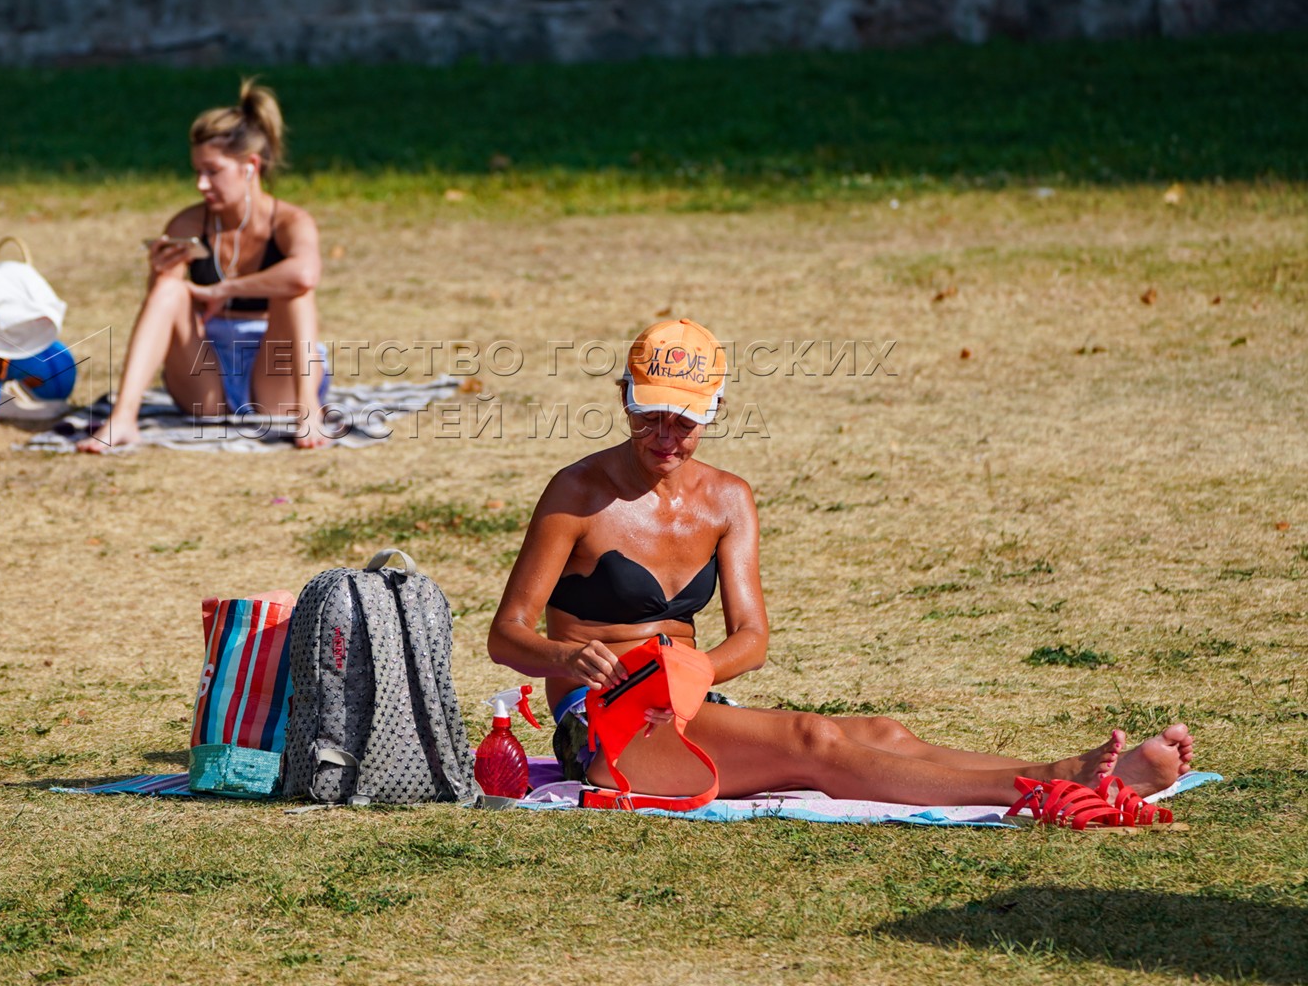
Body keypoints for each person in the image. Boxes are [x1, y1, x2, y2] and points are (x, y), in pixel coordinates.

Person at [487, 318, 1196, 807]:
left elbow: (752, 638)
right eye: (651, 415)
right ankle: (1056, 783)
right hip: (608, 723)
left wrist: (693, 670)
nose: (666, 436)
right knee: (812, 740)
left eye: (685, 420)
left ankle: (1070, 769)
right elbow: (506, 633)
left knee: (881, 734)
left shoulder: (728, 498)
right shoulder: (577, 492)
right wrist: (565, 656)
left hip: (690, 697)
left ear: (715, 410)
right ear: (624, 399)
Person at [85, 80, 332, 450]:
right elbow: (165, 310)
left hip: (277, 378)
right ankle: (123, 417)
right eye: (197, 172)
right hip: (206, 377)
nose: (201, 184)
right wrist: (161, 274)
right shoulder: (188, 225)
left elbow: (305, 274)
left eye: (213, 171)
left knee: (293, 288)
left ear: (250, 166)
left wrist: (223, 289)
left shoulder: (289, 222)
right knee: (170, 288)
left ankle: (309, 411)